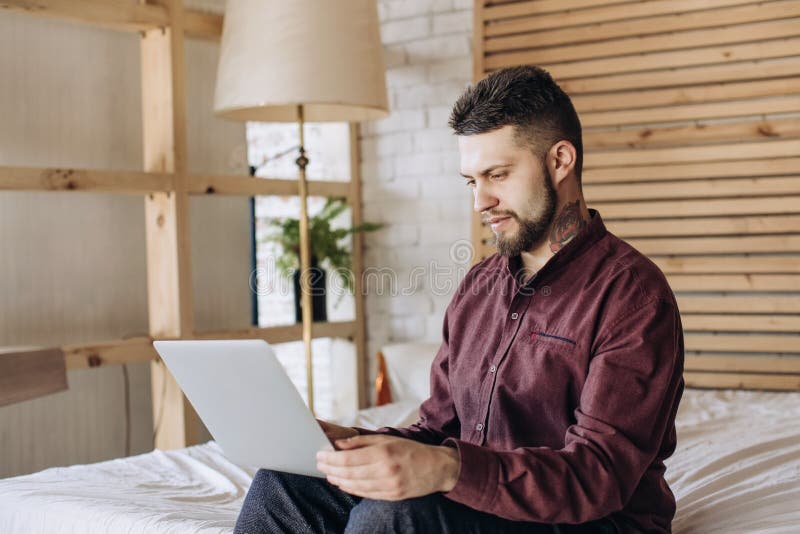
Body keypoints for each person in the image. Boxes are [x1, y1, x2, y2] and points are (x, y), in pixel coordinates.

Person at [235, 65, 685, 534]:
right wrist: (354, 444)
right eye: (472, 181)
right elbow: (439, 431)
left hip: (592, 520)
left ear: (560, 160)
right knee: (284, 482)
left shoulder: (633, 296)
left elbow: (598, 476)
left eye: (498, 174)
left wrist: (448, 469)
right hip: (478, 502)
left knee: (393, 515)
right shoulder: (479, 288)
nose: (480, 202)